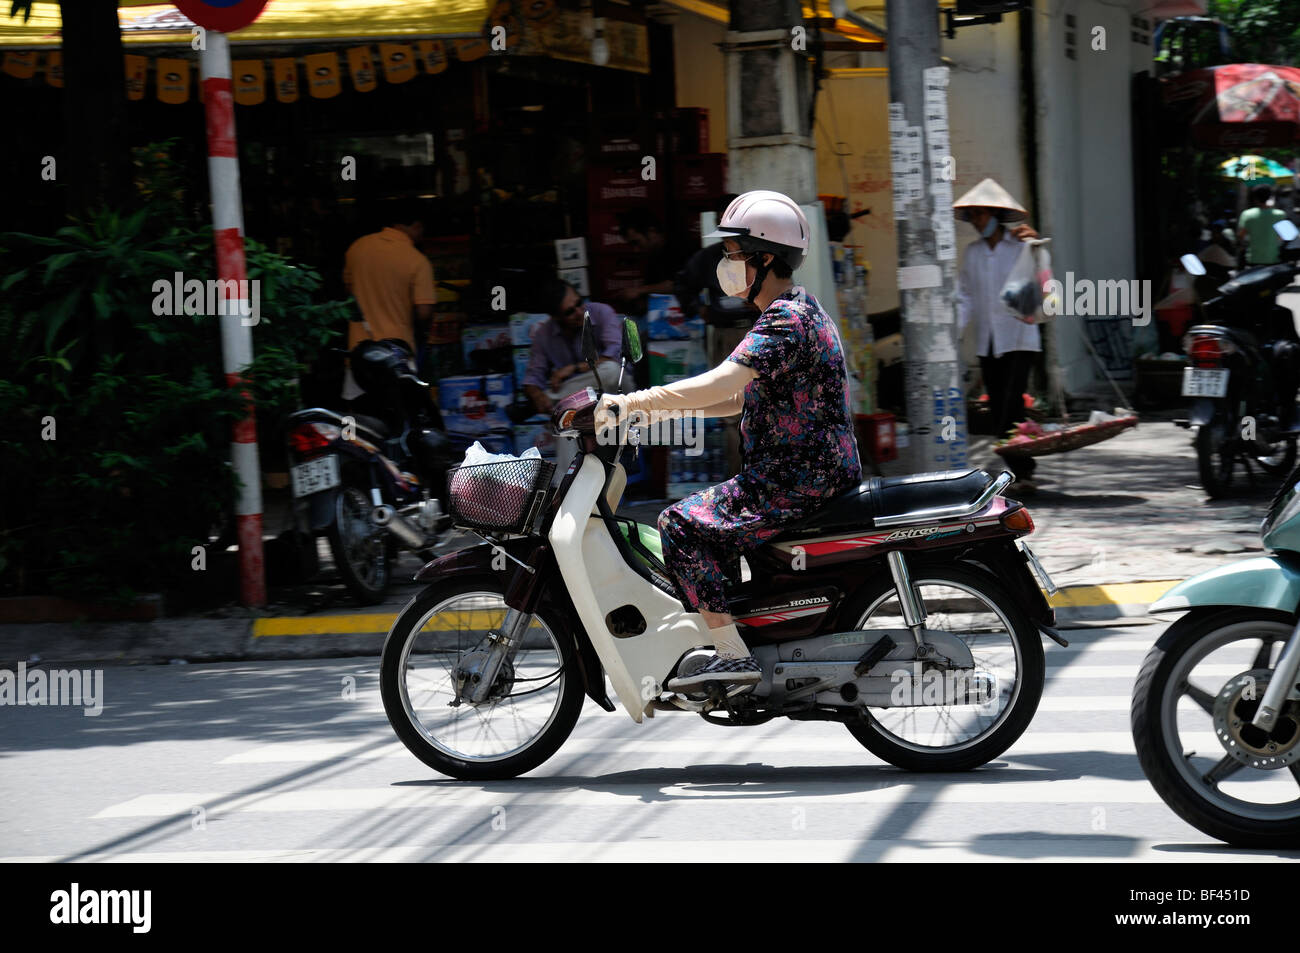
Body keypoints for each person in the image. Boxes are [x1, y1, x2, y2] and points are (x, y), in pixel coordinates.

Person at [598, 190, 862, 691]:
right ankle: (742, 628)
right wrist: (647, 420)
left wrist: (632, 403)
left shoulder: (785, 320)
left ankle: (732, 655)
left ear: (765, 259)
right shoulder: (795, 310)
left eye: (735, 254)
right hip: (805, 473)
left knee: (680, 523)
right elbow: (735, 400)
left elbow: (722, 383)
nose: (726, 264)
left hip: (796, 479)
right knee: (705, 517)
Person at [953, 178, 1041, 491]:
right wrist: (955, 333)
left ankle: (1024, 469)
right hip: (988, 342)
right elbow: (965, 296)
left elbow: (1042, 280)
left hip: (1019, 338)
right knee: (1000, 411)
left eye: (980, 214)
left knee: (1010, 407)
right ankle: (1023, 468)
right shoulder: (973, 253)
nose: (977, 221)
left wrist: (1038, 246)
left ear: (994, 215)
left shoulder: (1021, 247)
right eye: (973, 215)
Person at [524, 279, 630, 477]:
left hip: (617, 393)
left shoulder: (602, 312)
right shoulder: (544, 335)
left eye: (579, 303)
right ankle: (563, 491)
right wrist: (537, 395)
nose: (579, 311)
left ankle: (558, 400)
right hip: (582, 404)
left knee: (612, 370)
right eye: (569, 311)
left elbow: (613, 355)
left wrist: (571, 369)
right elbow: (533, 377)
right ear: (555, 317)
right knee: (567, 418)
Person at [341, 200, 436, 401]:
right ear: (417, 226)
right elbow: (424, 312)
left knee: (360, 418)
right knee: (402, 411)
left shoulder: (358, 248)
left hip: (359, 354)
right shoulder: (417, 260)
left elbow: (349, 291)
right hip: (397, 356)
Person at [1238, 184, 1289, 266]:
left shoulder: (1247, 214)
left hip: (1252, 259)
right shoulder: (1280, 215)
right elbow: (1287, 236)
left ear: (1255, 198)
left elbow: (1241, 236)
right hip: (1273, 259)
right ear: (1269, 197)